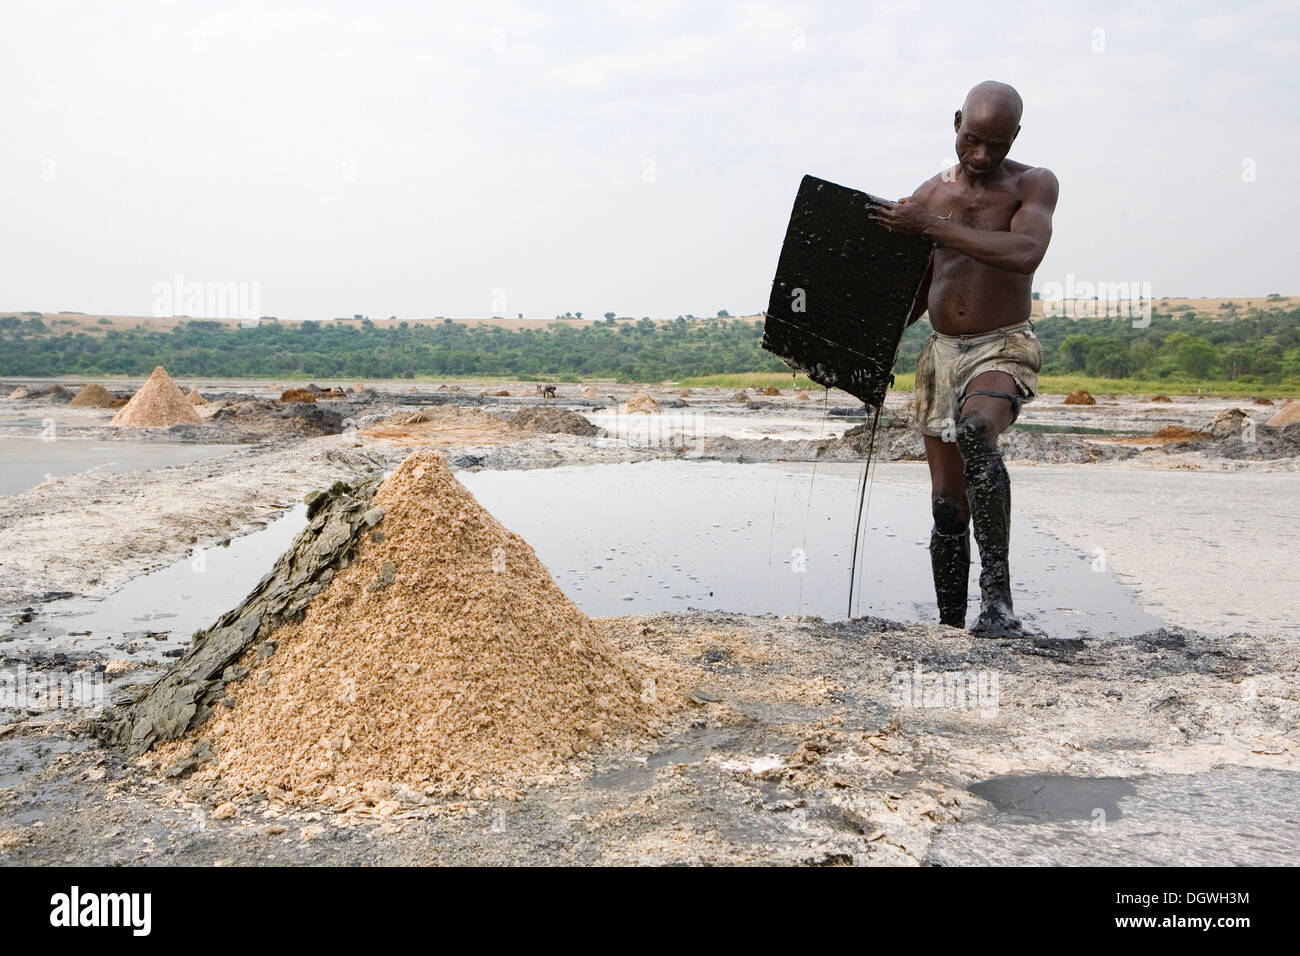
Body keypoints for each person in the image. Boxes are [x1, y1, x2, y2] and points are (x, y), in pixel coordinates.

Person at [868, 80, 1058, 638]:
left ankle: (997, 605)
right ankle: (951, 626)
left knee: (978, 429)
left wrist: (931, 227)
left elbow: (1026, 253)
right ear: (956, 123)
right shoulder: (929, 195)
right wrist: (862, 350)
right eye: (971, 140)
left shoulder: (1033, 183)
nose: (980, 156)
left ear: (1014, 138)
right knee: (948, 505)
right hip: (942, 354)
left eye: (995, 146)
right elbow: (911, 288)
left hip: (1001, 344)